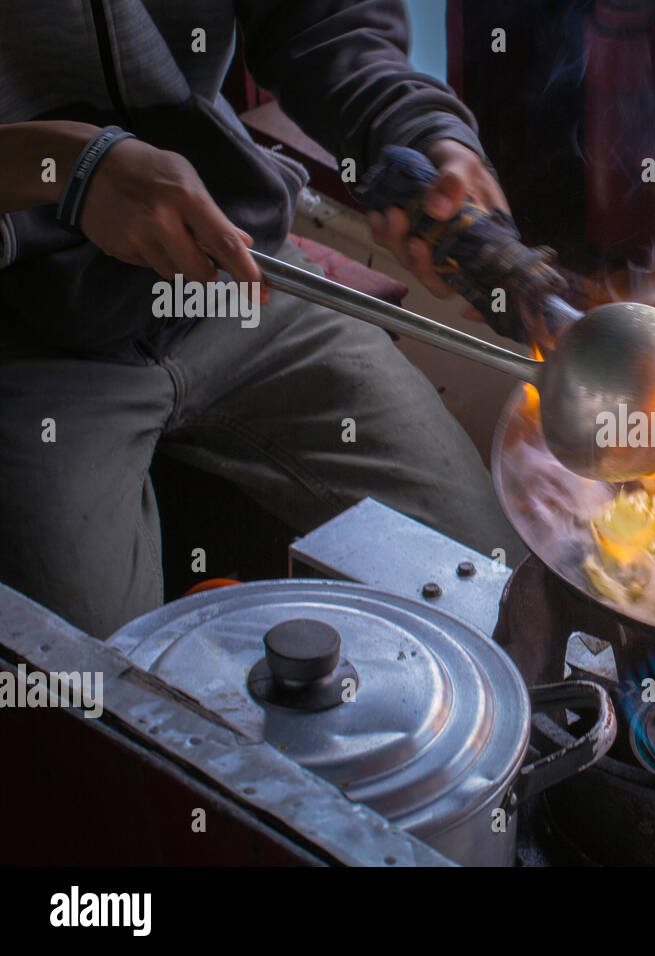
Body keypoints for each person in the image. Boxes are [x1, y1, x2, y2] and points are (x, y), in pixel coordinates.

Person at [0, 0, 523, 637]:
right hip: (29, 341)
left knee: (499, 592)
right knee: (94, 705)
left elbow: (319, 17)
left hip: (244, 279)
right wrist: (57, 165)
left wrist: (422, 128)